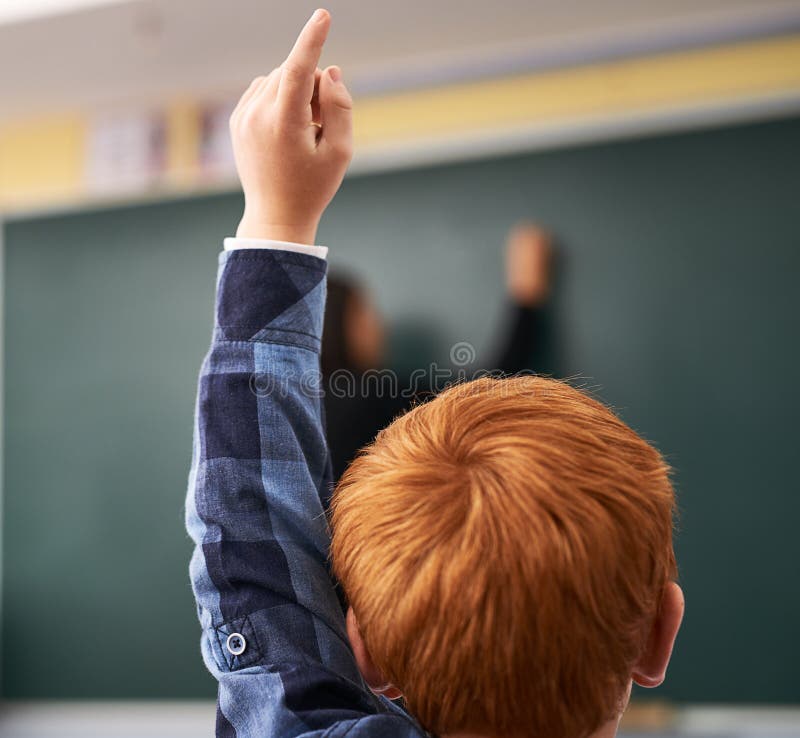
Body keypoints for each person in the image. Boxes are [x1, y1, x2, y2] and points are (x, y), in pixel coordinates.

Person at [185, 9, 684, 738]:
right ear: (658, 632)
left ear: (364, 648)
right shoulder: (370, 404)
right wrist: (526, 295)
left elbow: (249, 529)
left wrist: (276, 217)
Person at [321, 223, 555, 482]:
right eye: (363, 314)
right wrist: (526, 293)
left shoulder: (301, 396)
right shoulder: (368, 394)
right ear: (336, 324)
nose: (379, 326)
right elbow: (490, 385)